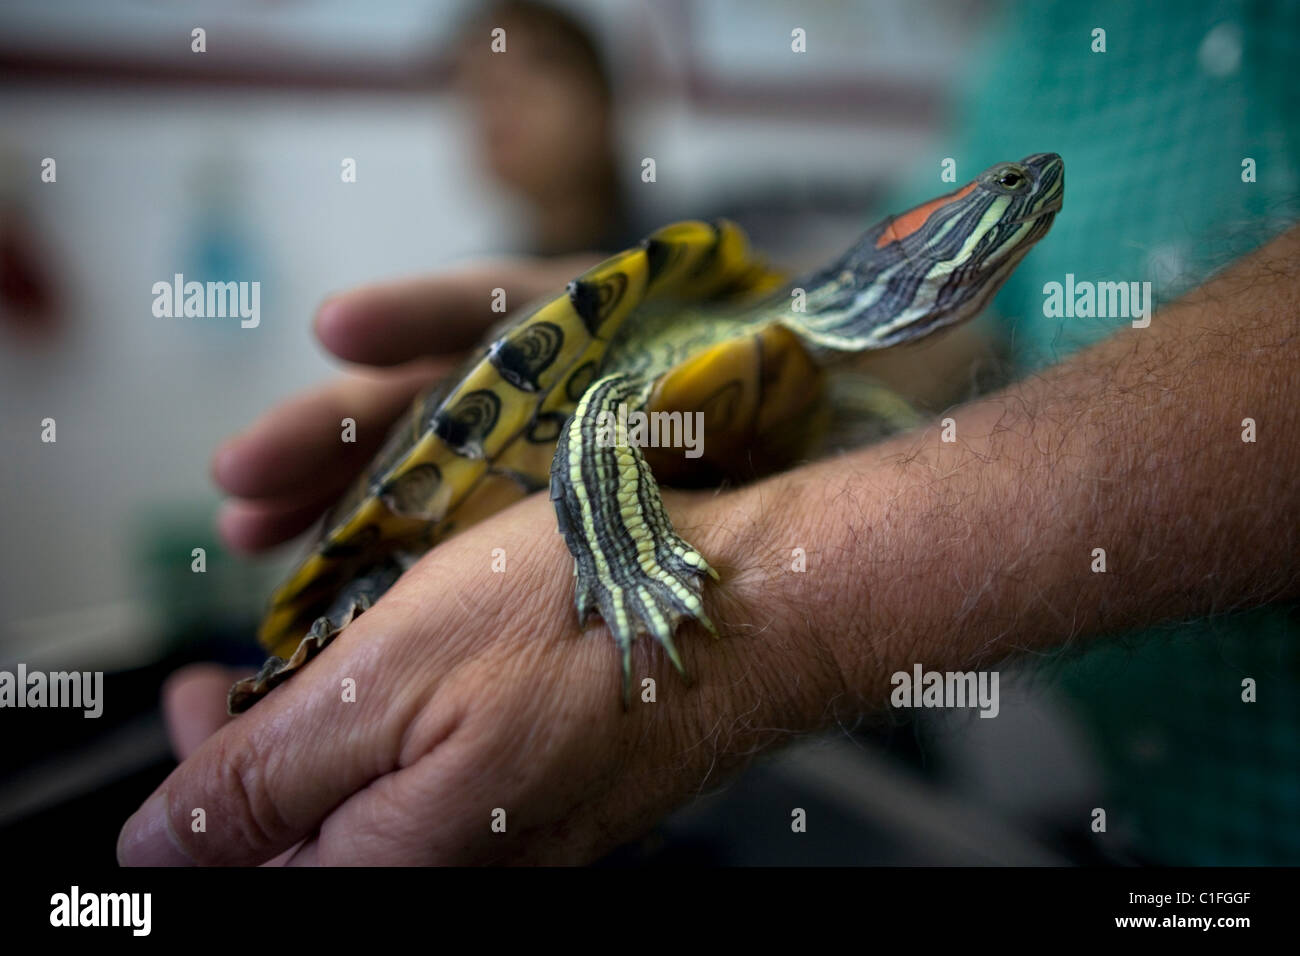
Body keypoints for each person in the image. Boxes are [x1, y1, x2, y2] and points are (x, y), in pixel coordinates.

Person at [118, 1, 1299, 864]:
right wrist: (627, 550)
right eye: (980, 206)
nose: (1016, 197)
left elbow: (883, 377)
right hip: (1156, 815)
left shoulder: (751, 229)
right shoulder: (1046, 44)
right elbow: (604, 415)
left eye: (531, 82)